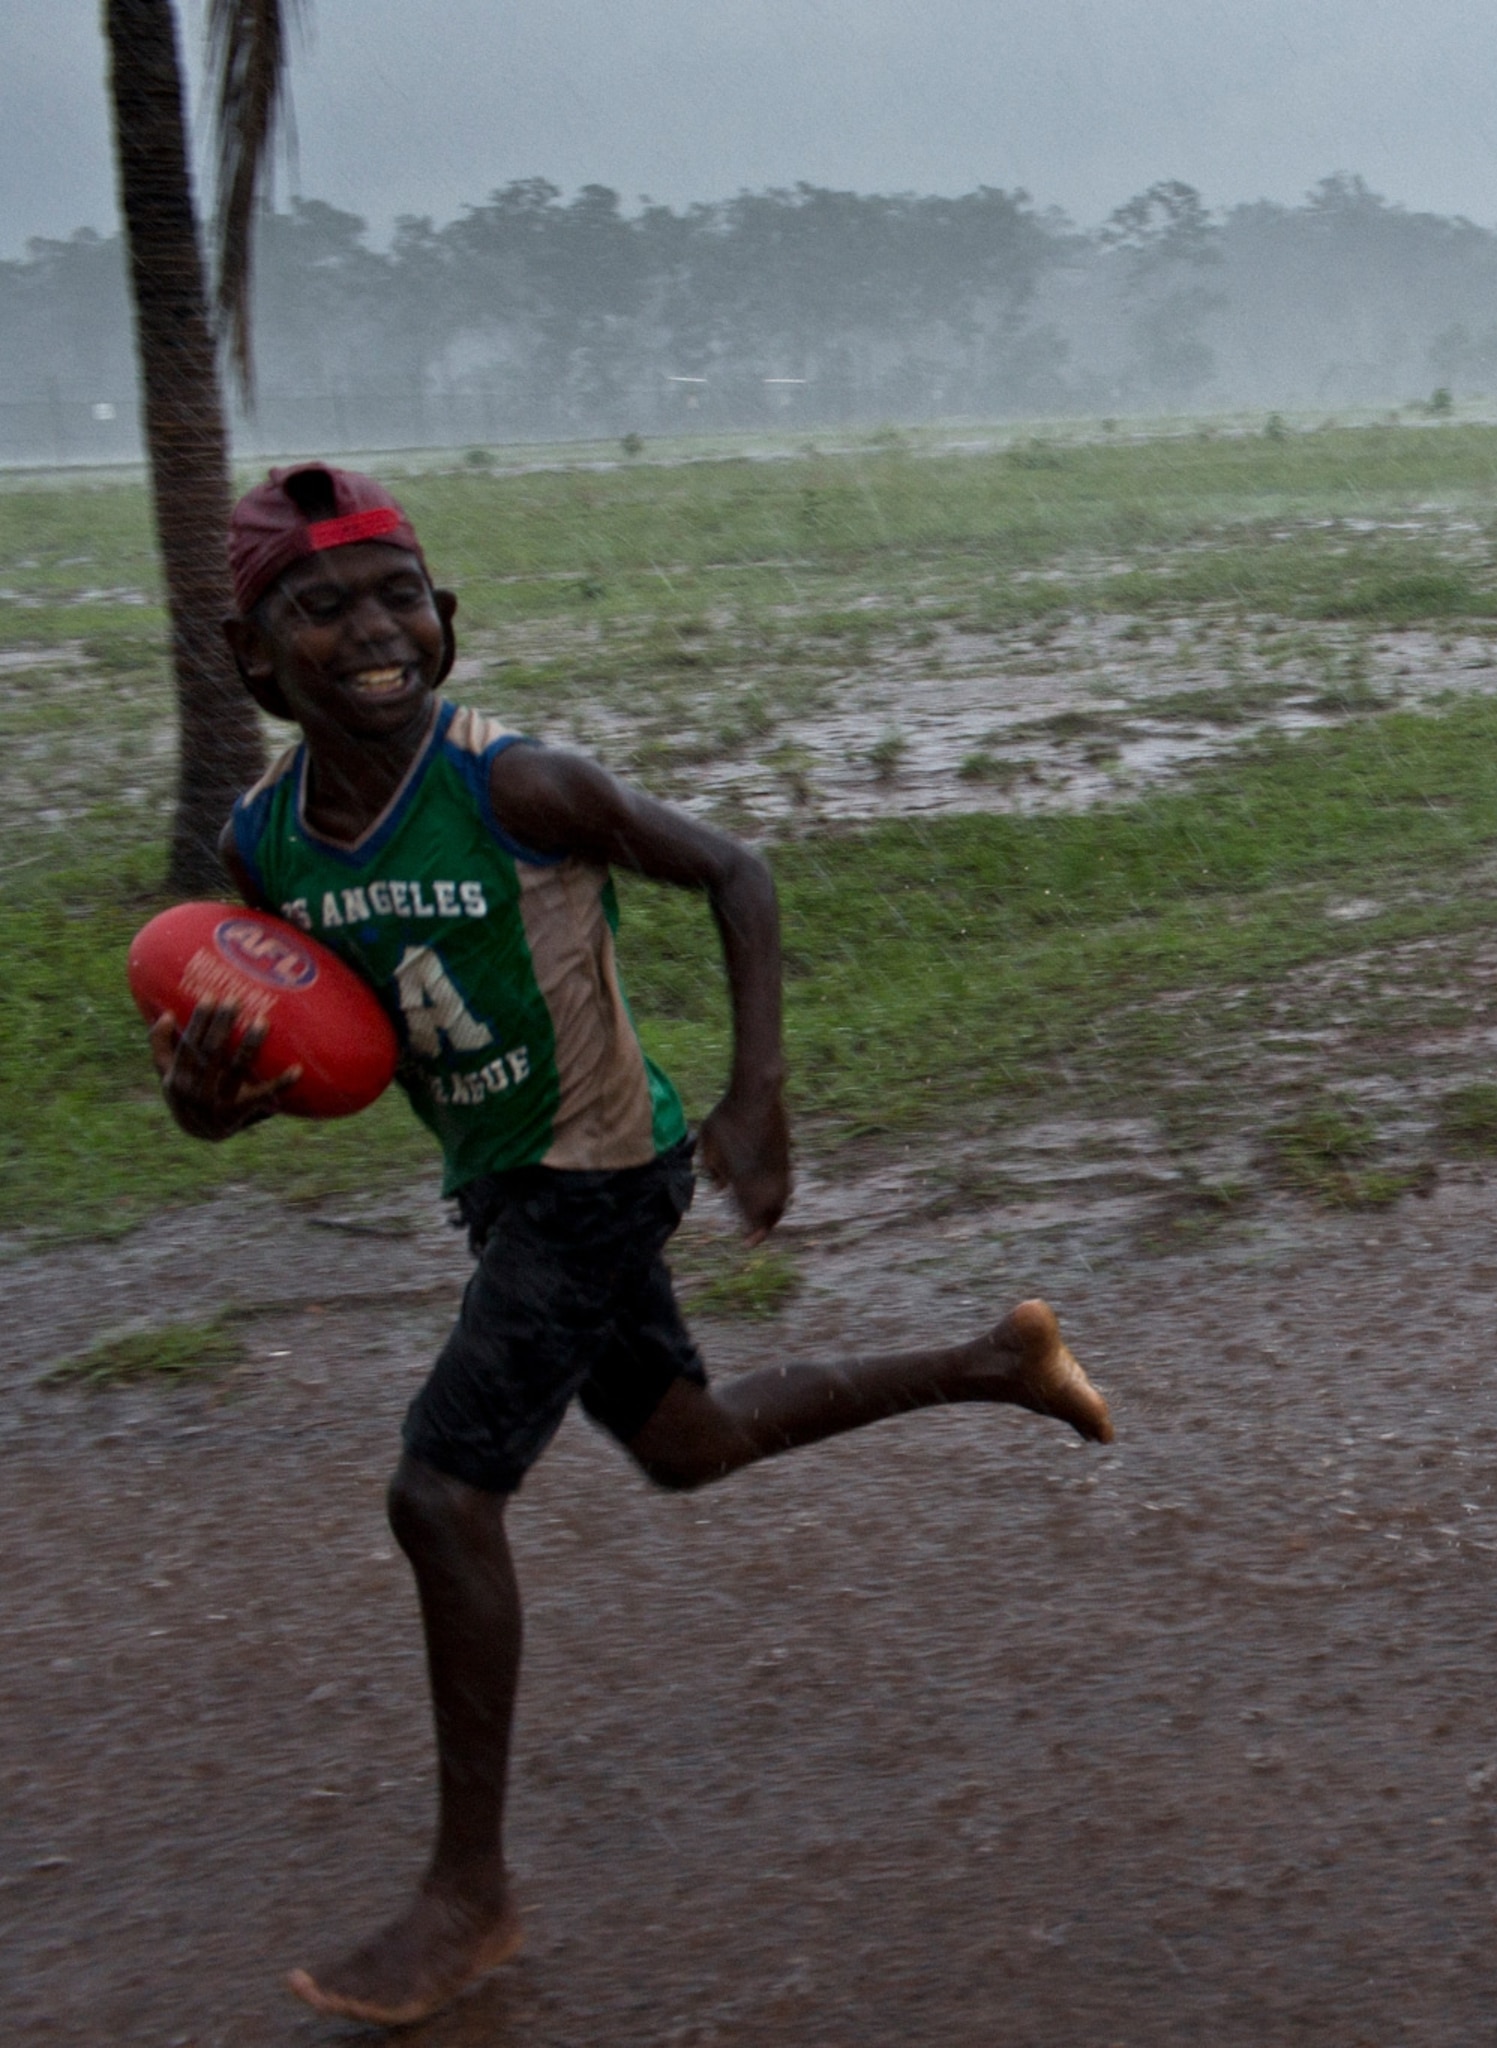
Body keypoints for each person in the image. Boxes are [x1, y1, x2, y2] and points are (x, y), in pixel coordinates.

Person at [156, 463, 1114, 2027]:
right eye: (321, 608)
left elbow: (736, 871)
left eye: (401, 593)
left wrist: (759, 1099)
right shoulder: (264, 846)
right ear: (250, 659)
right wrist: (214, 1104)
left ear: (447, 620)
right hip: (504, 1185)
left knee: (441, 1489)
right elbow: (328, 1060)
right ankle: (997, 1360)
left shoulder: (518, 784)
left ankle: (470, 1897)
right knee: (687, 1439)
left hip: (599, 1172)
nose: (375, 628)